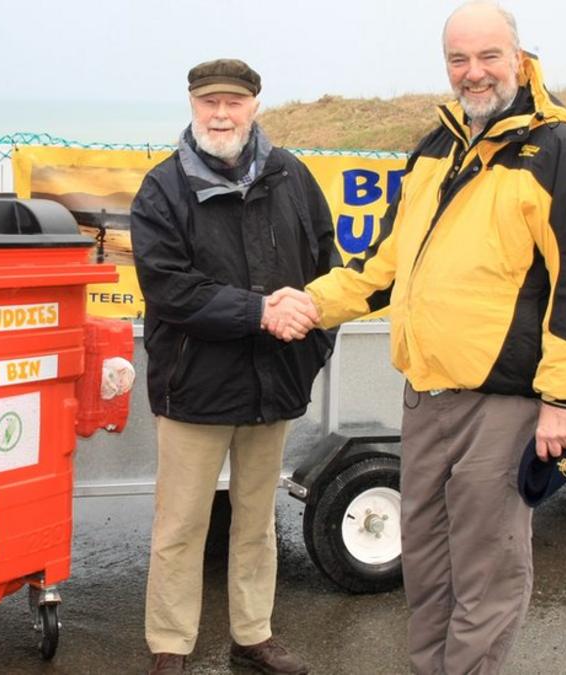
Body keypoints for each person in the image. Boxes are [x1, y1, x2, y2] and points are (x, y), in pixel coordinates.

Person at [268, 2, 566, 673]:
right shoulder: (435, 148)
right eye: (459, 59)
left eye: (488, 56)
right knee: (425, 564)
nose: (474, 72)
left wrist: (562, 402)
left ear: (517, 55)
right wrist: (310, 301)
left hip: (505, 405)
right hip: (426, 399)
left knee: (486, 571)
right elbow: (387, 267)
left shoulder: (557, 152)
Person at [129, 58, 340, 675]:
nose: (221, 115)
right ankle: (170, 647)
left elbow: (326, 269)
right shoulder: (163, 188)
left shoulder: (293, 177)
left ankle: (253, 636)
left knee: (257, 523)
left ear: (255, 106)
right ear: (192, 106)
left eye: (234, 102)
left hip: (272, 384)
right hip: (194, 388)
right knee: (180, 528)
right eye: (209, 103)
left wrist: (310, 348)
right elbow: (170, 289)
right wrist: (261, 312)